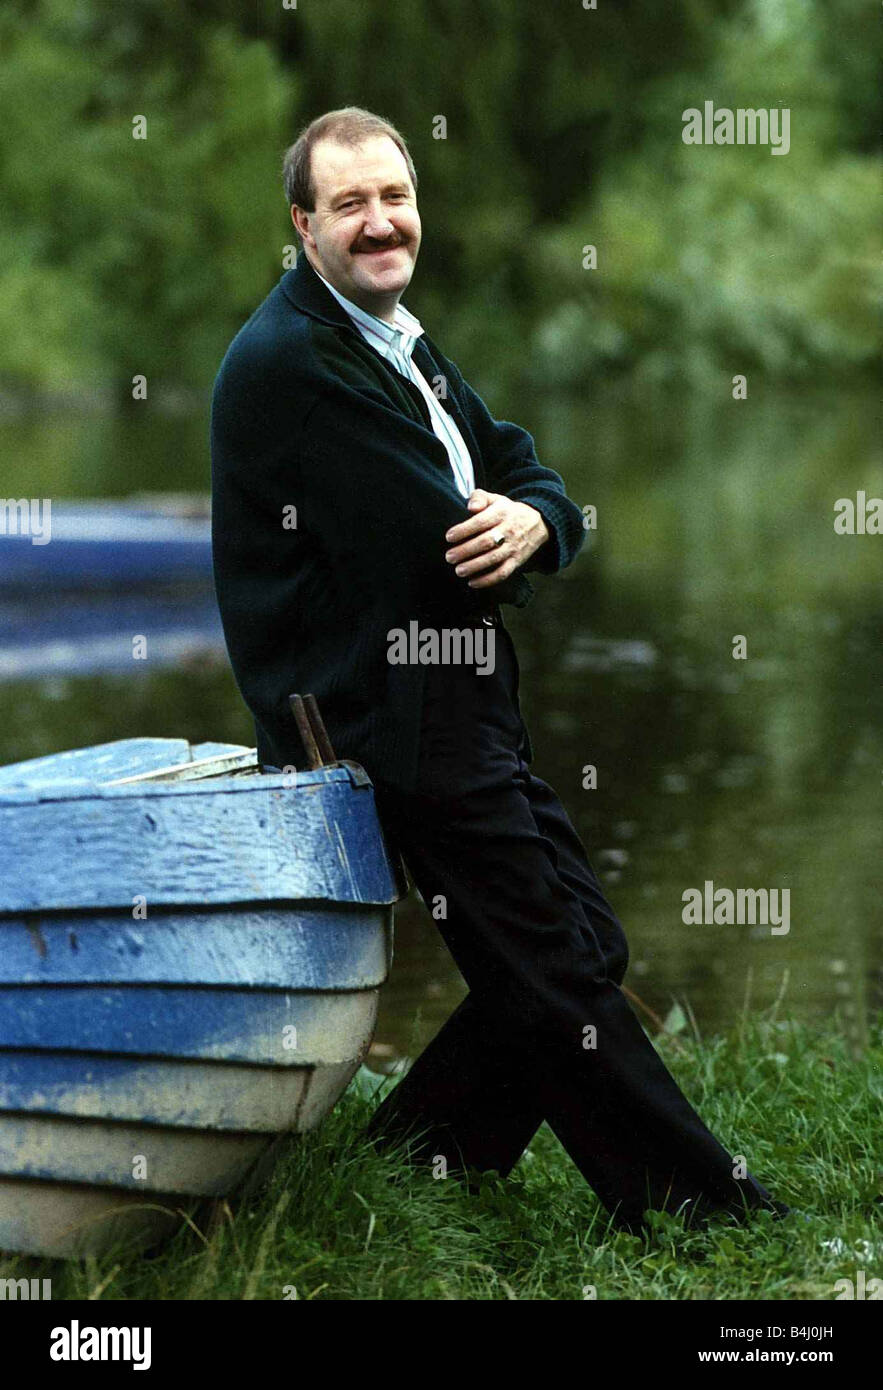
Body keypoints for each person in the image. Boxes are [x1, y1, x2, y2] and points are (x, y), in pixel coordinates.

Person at [210, 106, 789, 1234]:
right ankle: (700, 1212)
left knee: (577, 947)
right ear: (301, 224)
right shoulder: (296, 362)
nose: (382, 222)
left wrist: (540, 520)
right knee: (561, 968)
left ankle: (417, 1160)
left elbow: (520, 468)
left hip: (456, 693)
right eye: (350, 204)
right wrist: (526, 531)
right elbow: (447, 545)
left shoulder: (391, 335)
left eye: (396, 197)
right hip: (379, 712)